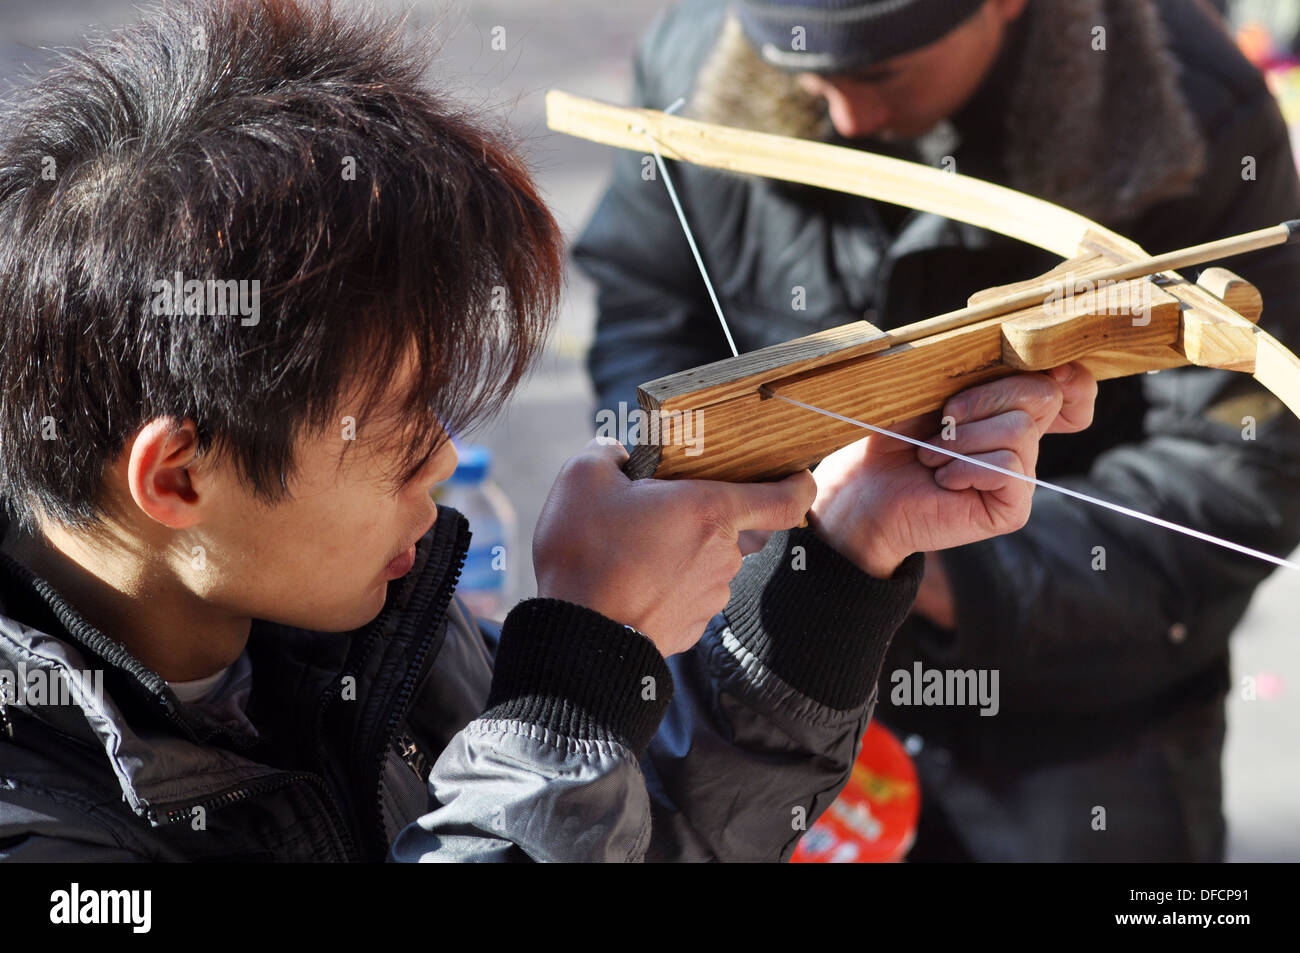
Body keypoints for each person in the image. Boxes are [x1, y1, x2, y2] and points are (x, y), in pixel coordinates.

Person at [0, 0, 1094, 862]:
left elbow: (633, 838)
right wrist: (569, 681)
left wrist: (845, 554)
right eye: (390, 429)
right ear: (177, 476)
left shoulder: (341, 613)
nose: (440, 459)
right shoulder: (44, 816)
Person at [575, 0, 1300, 861]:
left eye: (880, 70)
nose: (847, 116)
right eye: (809, 76)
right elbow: (646, 310)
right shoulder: (697, 58)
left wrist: (939, 567)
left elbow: (1242, 463)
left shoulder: (1189, 101)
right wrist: (707, 498)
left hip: (1076, 717)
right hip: (763, 657)